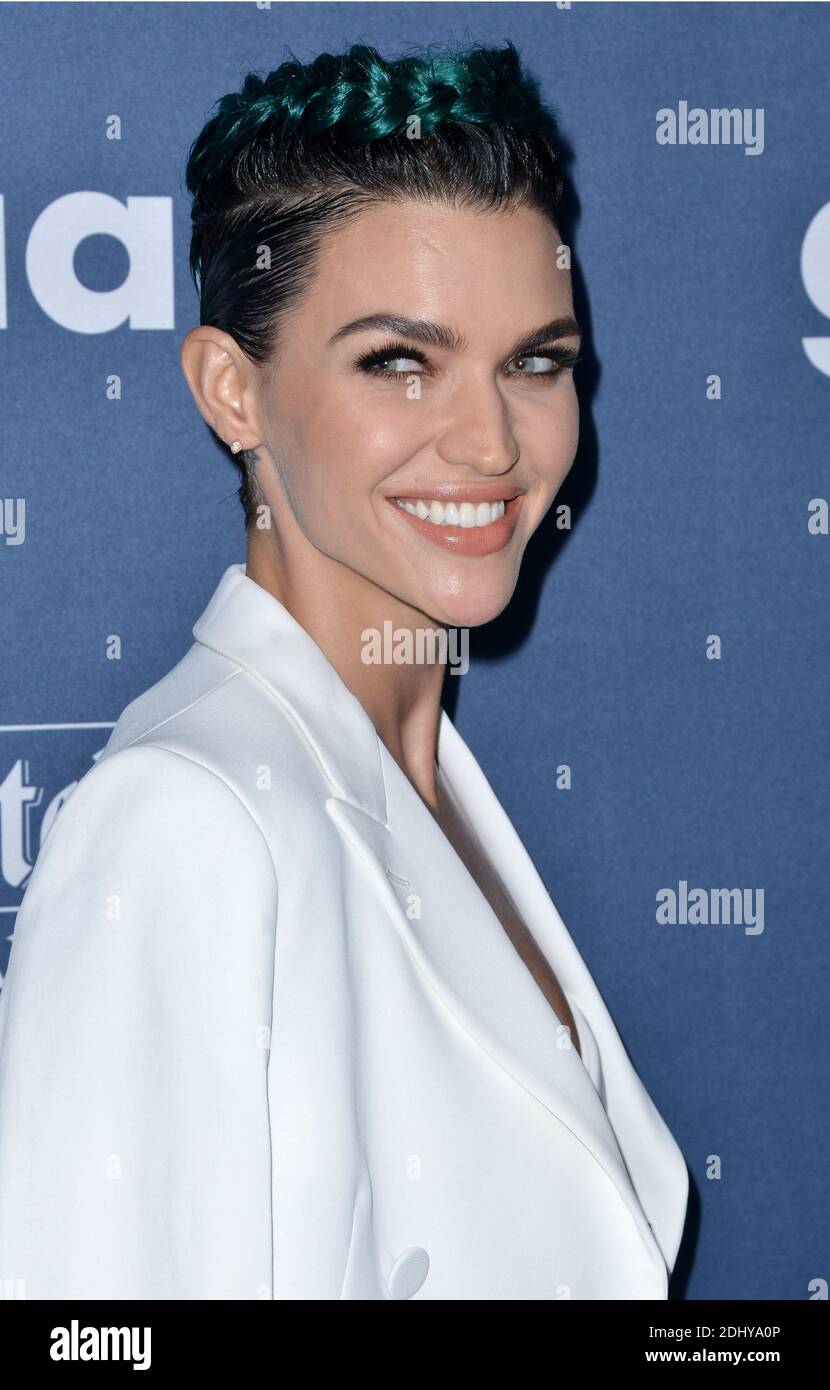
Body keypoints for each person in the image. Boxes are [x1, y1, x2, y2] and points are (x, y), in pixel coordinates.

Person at [0, 41, 688, 1300]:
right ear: (233, 392)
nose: (488, 442)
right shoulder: (184, 822)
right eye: (397, 361)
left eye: (534, 361)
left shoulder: (420, 789)